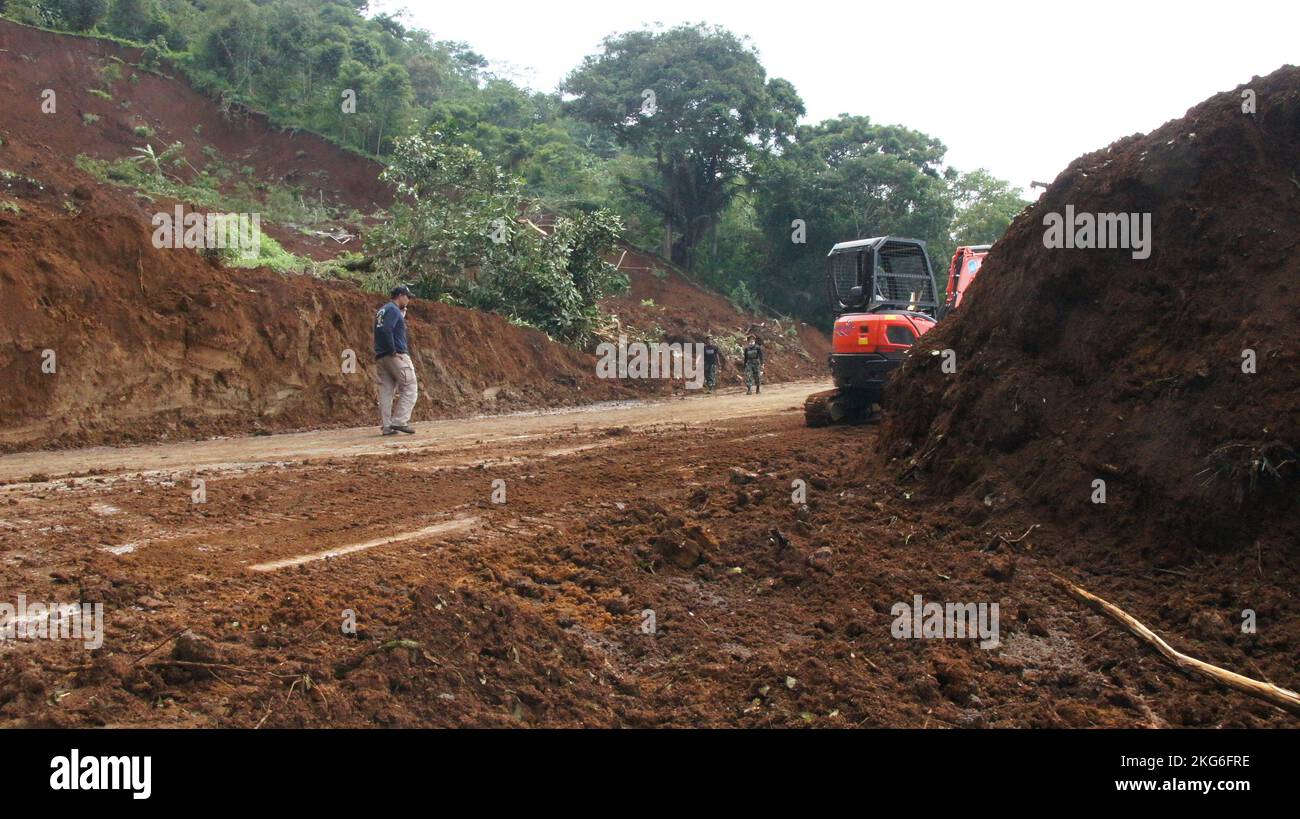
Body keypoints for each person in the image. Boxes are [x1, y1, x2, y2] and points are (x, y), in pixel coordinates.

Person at [374, 285, 418, 435]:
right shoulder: (393, 310)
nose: (409, 300)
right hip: (395, 355)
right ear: (400, 295)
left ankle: (387, 426)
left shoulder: (383, 310)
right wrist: (393, 351)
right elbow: (388, 329)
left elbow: (387, 326)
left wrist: (402, 314)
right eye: (408, 297)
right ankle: (399, 421)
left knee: (386, 391)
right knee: (410, 386)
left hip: (381, 356)